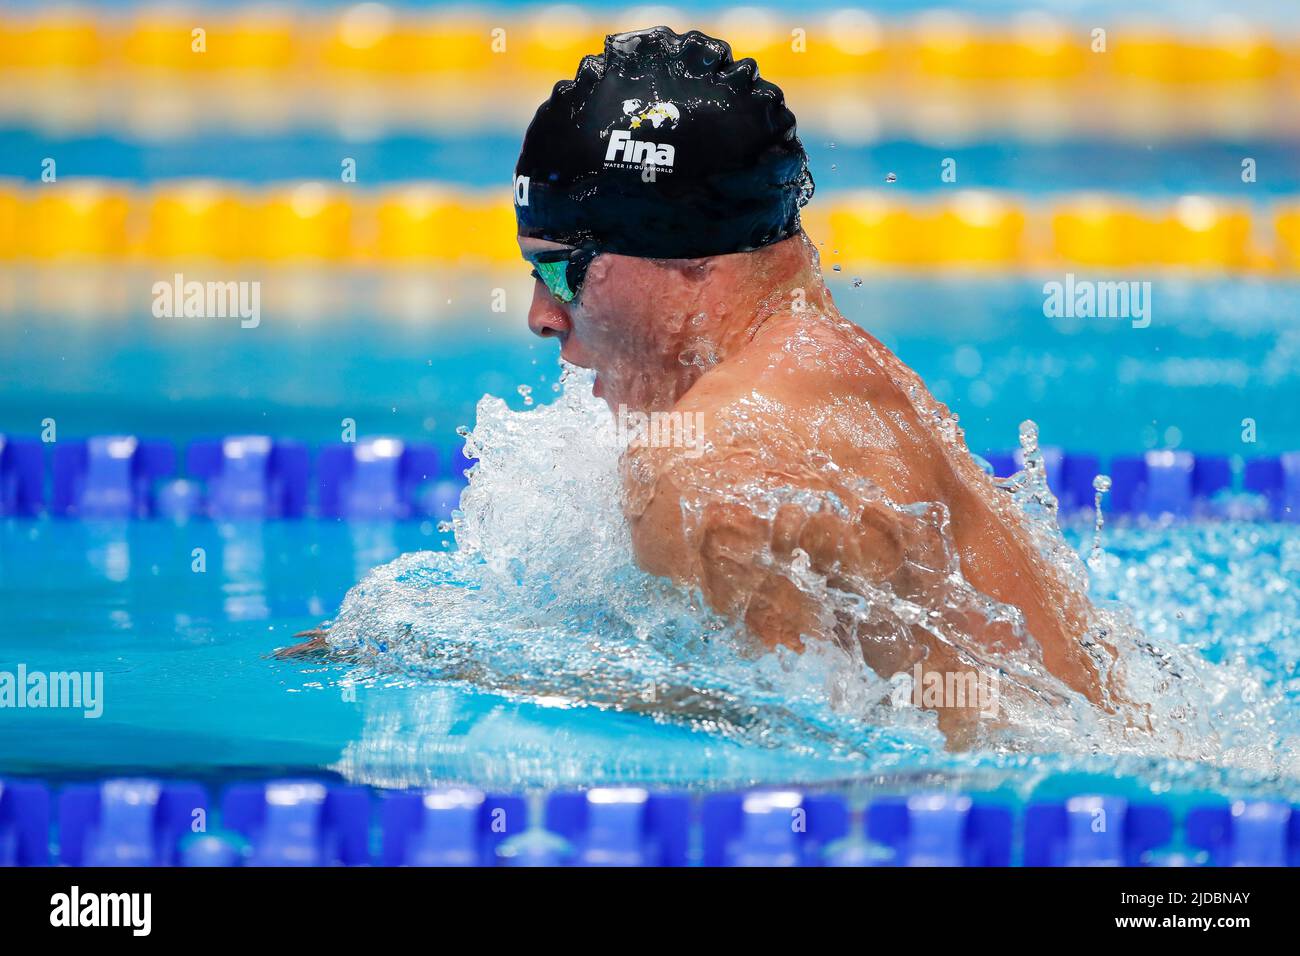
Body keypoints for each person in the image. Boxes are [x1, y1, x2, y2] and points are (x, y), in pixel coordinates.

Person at [284, 26, 1128, 745]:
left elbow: (799, 747)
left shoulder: (700, 468)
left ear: (681, 258)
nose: (542, 316)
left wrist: (443, 657)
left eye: (564, 272)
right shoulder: (838, 368)